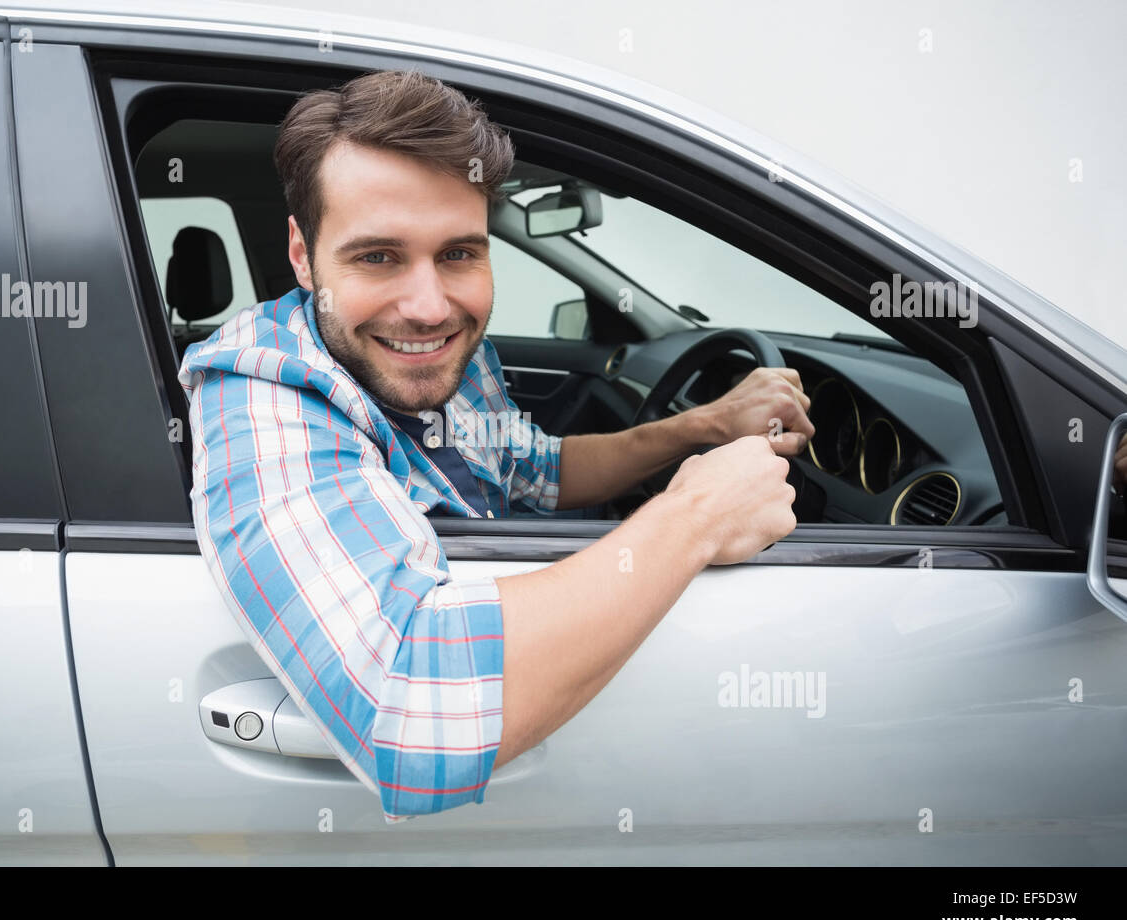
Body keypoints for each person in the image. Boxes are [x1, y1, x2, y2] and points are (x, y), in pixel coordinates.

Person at [178, 69, 813, 821]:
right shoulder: (260, 391)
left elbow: (535, 472)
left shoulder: (450, 350)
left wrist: (701, 427)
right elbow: (410, 720)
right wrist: (697, 515)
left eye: (458, 254)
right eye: (377, 256)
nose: (428, 306)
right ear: (303, 256)